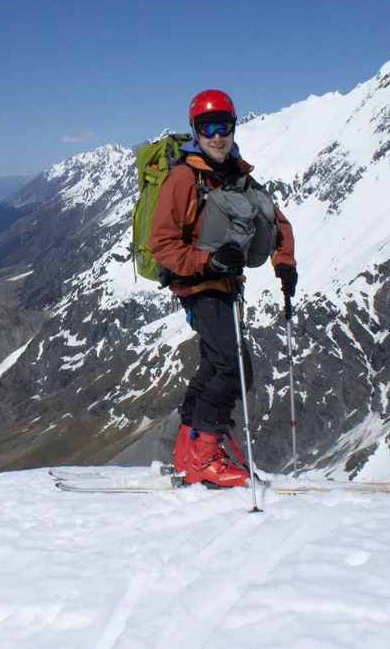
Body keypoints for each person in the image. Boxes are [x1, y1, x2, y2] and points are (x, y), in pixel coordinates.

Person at [148, 89, 297, 487]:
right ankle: (202, 458)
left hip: (226, 286)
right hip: (199, 286)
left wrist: (285, 264)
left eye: (224, 127)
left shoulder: (239, 177)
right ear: (196, 131)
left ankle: (188, 448)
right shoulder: (183, 178)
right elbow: (160, 242)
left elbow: (277, 222)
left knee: (215, 367)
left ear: (233, 128)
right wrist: (206, 262)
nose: (218, 136)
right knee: (233, 370)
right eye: (208, 128)